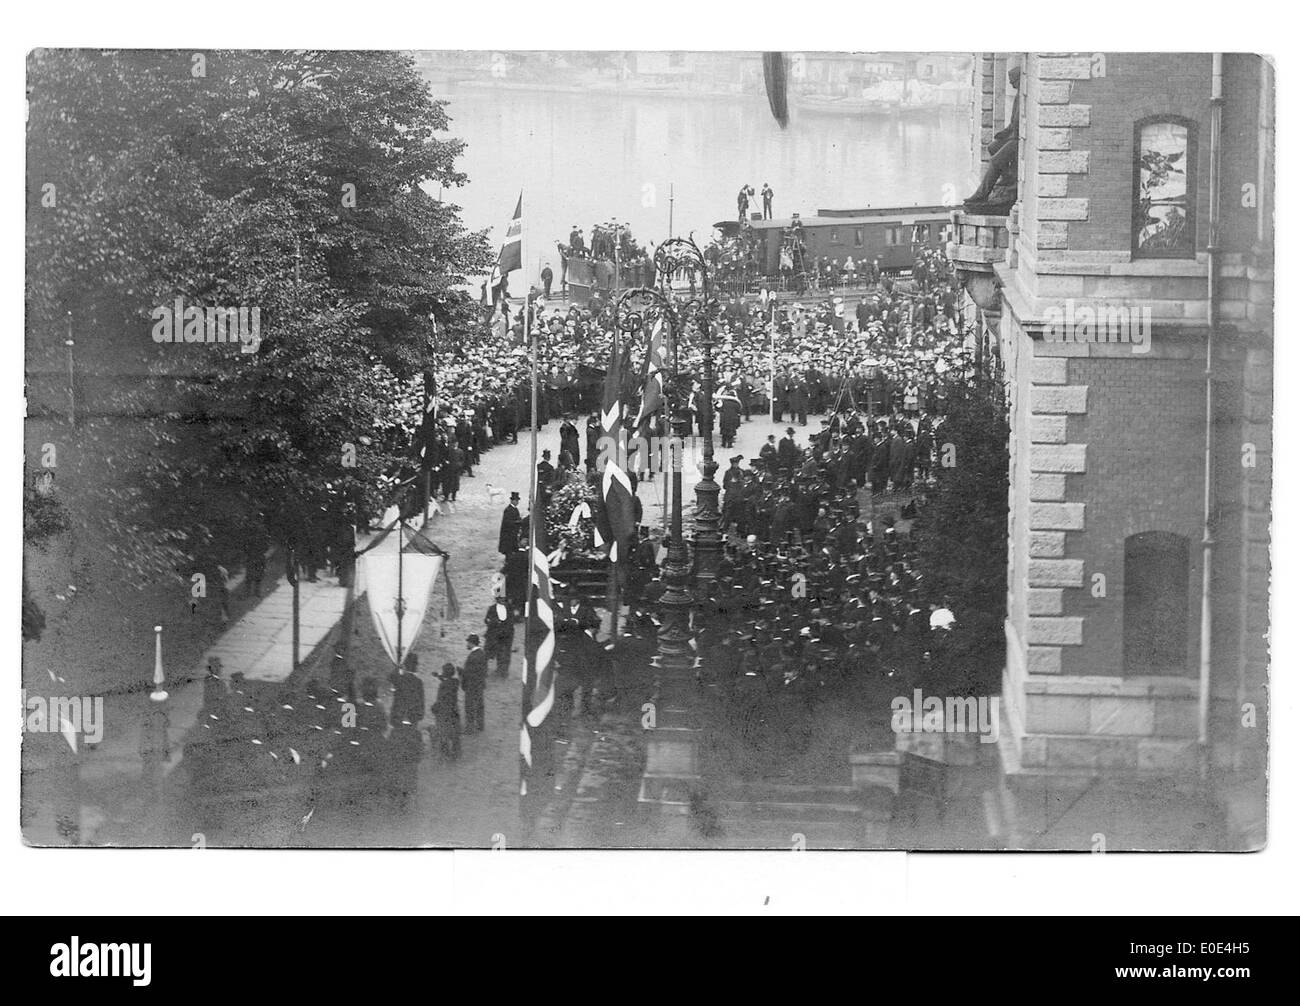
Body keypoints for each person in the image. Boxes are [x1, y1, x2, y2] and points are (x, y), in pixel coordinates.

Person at [964, 65, 1021, 214]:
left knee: (996, 160)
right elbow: (1013, 123)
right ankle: (1007, 179)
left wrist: (1009, 134)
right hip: (1013, 136)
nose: (1010, 84)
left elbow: (1018, 125)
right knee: (992, 147)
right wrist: (1001, 134)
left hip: (1018, 140)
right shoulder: (1018, 96)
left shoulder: (1022, 97)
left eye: (1012, 80)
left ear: (1018, 79)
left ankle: (981, 195)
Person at [432, 663, 462, 760]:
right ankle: (456, 752)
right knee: (454, 733)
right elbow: (448, 681)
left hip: (444, 712)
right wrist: (439, 676)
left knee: (443, 732)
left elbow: (440, 699)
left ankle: (445, 753)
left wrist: (434, 708)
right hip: (453, 711)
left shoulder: (443, 686)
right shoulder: (456, 682)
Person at [390, 652, 426, 726]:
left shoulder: (400, 679)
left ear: (405, 665)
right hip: (412, 718)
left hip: (398, 716)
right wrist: (419, 715)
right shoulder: (418, 682)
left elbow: (390, 677)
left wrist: (397, 667)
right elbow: (421, 700)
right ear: (416, 666)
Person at [461, 635, 488, 734]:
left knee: (469, 707)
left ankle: (470, 728)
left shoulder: (472, 657)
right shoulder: (482, 653)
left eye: (468, 642)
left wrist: (463, 681)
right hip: (480, 684)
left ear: (472, 643)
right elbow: (485, 670)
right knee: (480, 705)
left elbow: (467, 673)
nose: (467, 644)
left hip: (471, 685)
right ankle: (480, 725)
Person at [484, 594, 514, 677]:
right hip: (493, 634)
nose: (502, 601)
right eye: (500, 599)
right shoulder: (492, 608)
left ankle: (503, 671)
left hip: (505, 636)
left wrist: (502, 628)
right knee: (487, 653)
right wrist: (494, 622)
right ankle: (484, 670)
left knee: (504, 654)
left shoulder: (509, 609)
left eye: (504, 600)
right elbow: (486, 620)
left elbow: (511, 622)